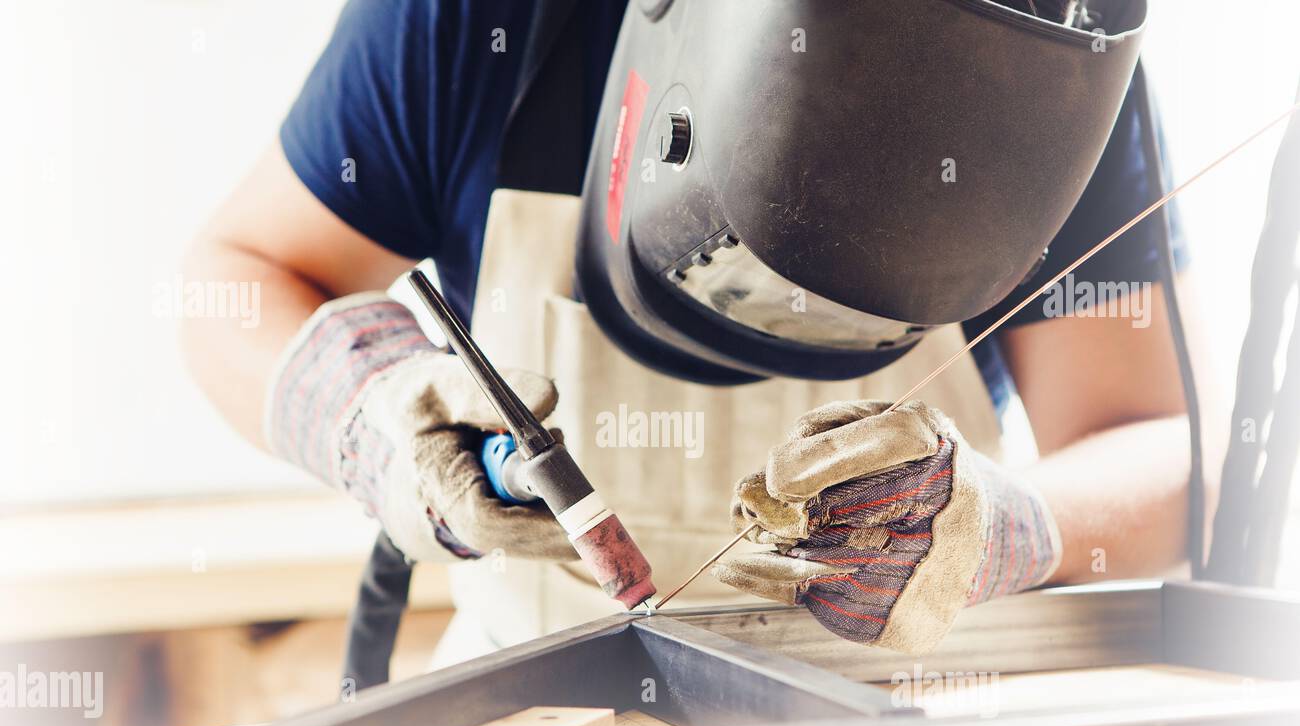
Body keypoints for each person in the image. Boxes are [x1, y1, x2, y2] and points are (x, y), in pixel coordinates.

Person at [182, 0, 1202, 663]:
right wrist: (375, 418)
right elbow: (234, 281)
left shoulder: (1042, 54)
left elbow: (1158, 448)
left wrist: (999, 528)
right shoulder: (476, 21)